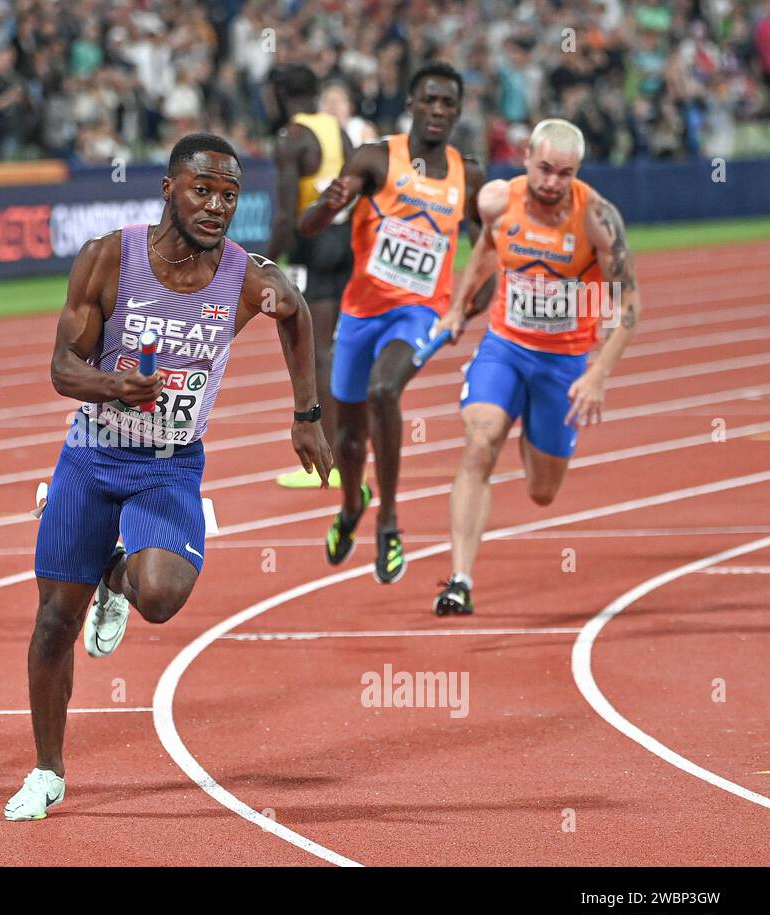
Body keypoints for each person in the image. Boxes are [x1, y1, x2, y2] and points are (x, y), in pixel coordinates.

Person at [5, 133, 333, 821]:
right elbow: (62, 369)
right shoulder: (108, 260)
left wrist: (306, 414)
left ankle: (114, 572)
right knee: (53, 624)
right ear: (168, 189)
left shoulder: (246, 277)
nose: (216, 206)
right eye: (203, 189)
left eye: (229, 195)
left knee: (159, 595)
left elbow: (296, 313)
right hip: (93, 456)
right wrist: (111, 385)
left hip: (169, 465)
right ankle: (46, 771)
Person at [432, 118, 641, 614]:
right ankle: (459, 580)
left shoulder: (598, 219)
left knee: (543, 492)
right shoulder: (499, 201)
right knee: (480, 439)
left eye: (564, 173)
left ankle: (531, 425)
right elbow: (485, 250)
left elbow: (628, 303)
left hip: (564, 361)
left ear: (577, 173)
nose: (552, 182)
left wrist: (598, 374)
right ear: (526, 158)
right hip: (505, 346)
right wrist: (459, 308)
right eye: (544, 169)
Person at [299, 62, 485, 583]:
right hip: (361, 313)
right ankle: (351, 509)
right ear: (411, 102)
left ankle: (390, 522)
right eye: (429, 100)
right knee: (349, 443)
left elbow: (488, 253)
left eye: (448, 103)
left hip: (420, 311)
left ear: (458, 111)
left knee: (386, 389)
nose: (438, 110)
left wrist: (464, 308)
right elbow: (307, 226)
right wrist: (327, 204)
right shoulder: (377, 158)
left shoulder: (467, 173)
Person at [267, 66, 354, 489]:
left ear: (280, 94)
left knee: (315, 350)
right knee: (335, 347)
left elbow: (285, 216)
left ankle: (331, 458)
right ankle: (346, 446)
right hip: (345, 243)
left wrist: (261, 262)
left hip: (311, 246)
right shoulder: (340, 132)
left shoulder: (292, 138)